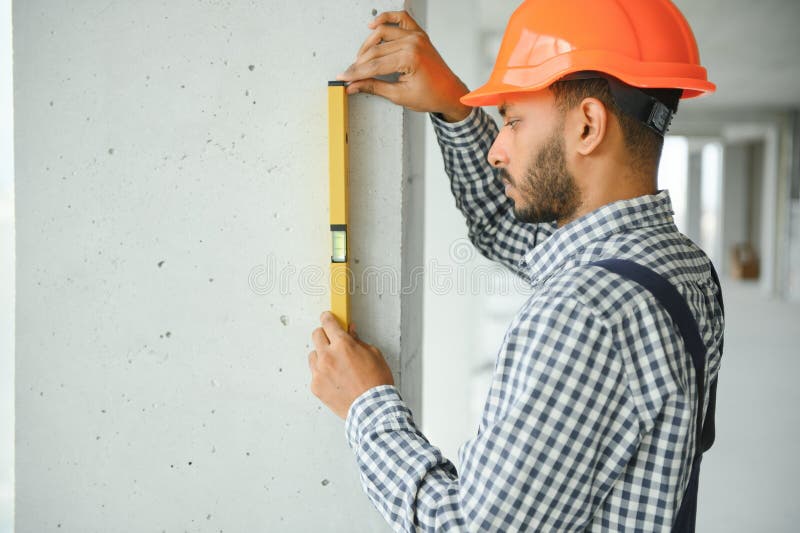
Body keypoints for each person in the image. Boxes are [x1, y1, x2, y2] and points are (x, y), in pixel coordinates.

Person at [307, 1, 725, 530]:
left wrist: (367, 405)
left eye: (514, 121)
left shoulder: (582, 314)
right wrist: (458, 110)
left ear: (588, 126)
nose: (497, 150)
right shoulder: (681, 269)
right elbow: (509, 229)